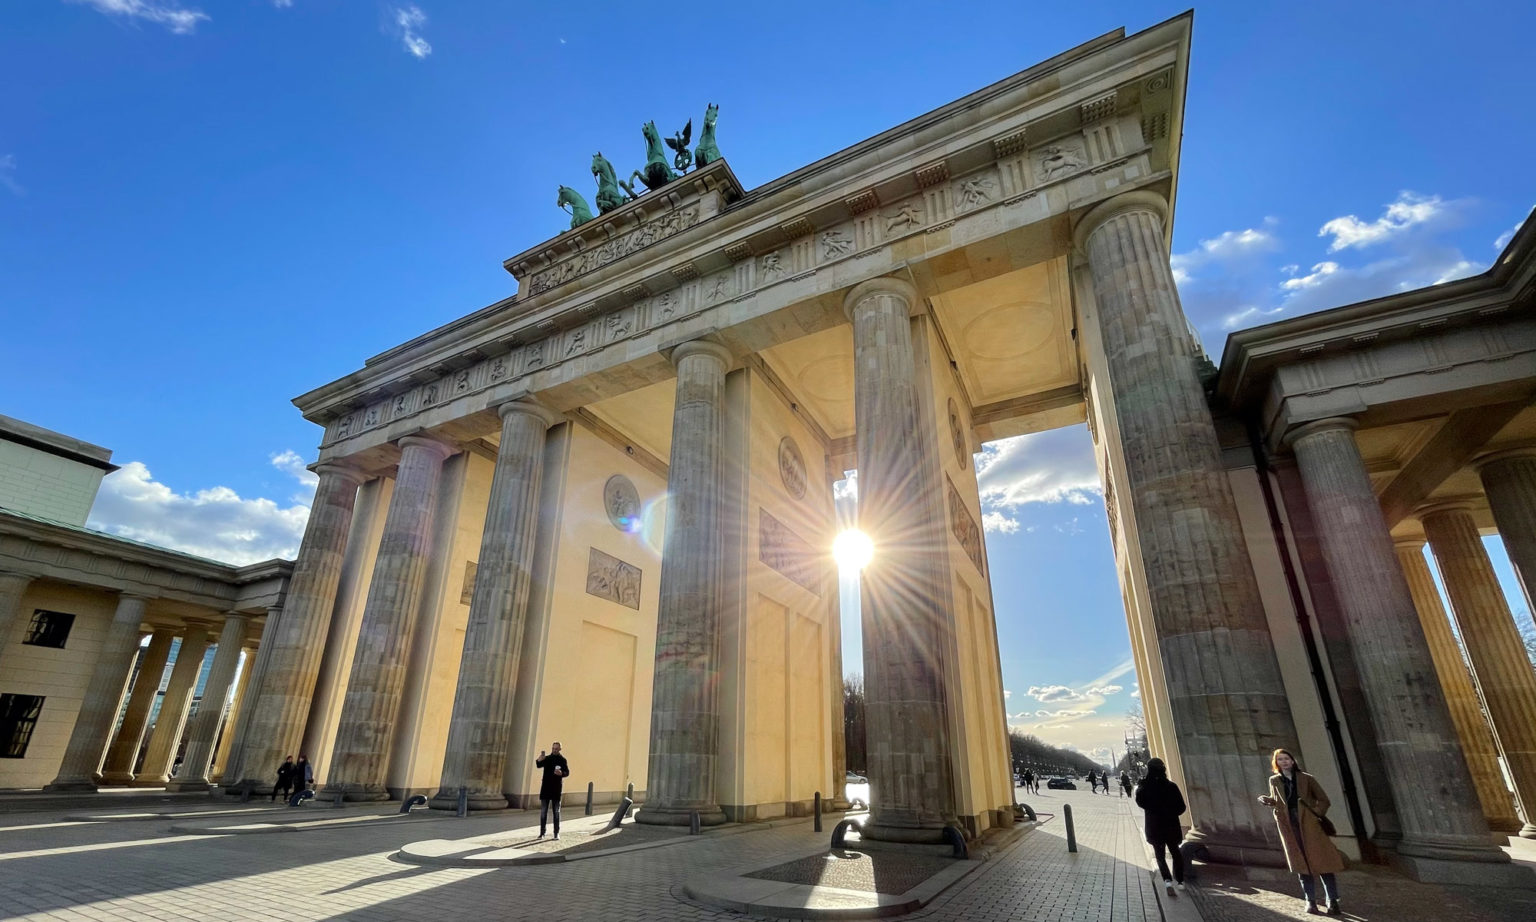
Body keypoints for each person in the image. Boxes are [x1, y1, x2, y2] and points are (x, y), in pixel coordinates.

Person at [1259, 749, 1345, 916]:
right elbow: (1278, 801)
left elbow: (1324, 800)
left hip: (1310, 824)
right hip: (1289, 825)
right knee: (1301, 862)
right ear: (1276, 764)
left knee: (1323, 861)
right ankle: (1310, 900)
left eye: (1287, 758)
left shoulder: (1307, 778)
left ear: (1292, 761)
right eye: (1280, 760)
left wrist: (1314, 814)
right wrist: (1268, 801)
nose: (1284, 762)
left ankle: (1332, 900)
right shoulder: (1274, 780)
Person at [1134, 757, 1187, 895]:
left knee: (1160, 855)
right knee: (1175, 852)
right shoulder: (1171, 786)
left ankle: (1167, 880)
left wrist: (1141, 786)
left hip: (1154, 826)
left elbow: (1140, 802)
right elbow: (1181, 807)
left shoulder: (1145, 787)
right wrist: (1170, 812)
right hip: (1171, 825)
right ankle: (1180, 881)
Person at [535, 742, 570, 840]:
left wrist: (561, 773)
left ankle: (556, 833)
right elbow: (538, 765)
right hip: (545, 788)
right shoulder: (547, 758)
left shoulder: (562, 760)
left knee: (556, 812)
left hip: (556, 789)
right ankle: (542, 833)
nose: (554, 750)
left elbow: (567, 772)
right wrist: (539, 759)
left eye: (556, 749)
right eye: (553, 748)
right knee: (543, 812)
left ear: (560, 749)